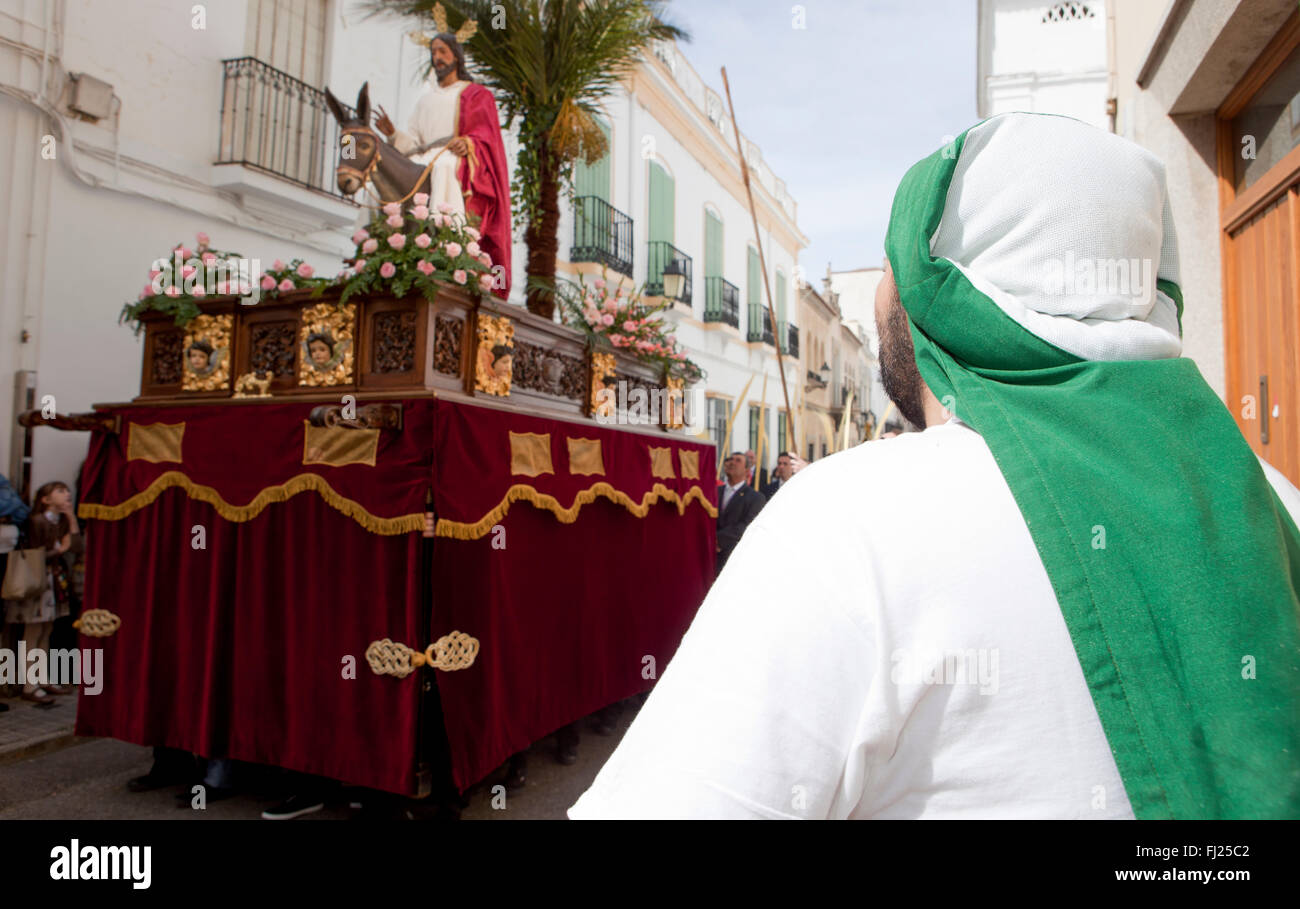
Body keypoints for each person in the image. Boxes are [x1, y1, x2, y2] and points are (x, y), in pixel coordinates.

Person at [569, 113, 1300, 819]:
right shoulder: (1275, 503)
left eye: (894, 260)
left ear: (930, 284)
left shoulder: (847, 521)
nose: (884, 289)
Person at [374, 30, 512, 299]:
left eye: (442, 52)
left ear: (456, 56)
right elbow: (412, 142)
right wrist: (392, 133)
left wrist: (469, 143)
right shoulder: (425, 100)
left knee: (443, 169)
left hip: (453, 157)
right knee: (382, 176)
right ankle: (382, 241)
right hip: (423, 156)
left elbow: (488, 137)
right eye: (433, 53)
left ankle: (448, 241)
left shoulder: (476, 94)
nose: (437, 58)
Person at [6, 481, 81, 705]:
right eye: (60, 491)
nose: (66, 494)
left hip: (55, 581)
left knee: (46, 630)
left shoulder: (61, 522)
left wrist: (71, 518)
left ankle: (42, 677)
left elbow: (76, 545)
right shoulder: (37, 521)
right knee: (34, 631)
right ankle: (30, 683)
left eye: (66, 490)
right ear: (45, 499)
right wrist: (60, 550)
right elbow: (34, 553)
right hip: (38, 581)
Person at [715, 452, 765, 575]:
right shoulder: (714, 491)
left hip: (734, 558)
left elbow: (747, 526)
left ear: (747, 469)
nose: (732, 462)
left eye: (738, 460)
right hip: (710, 556)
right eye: (731, 459)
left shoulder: (755, 497)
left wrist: (718, 539)